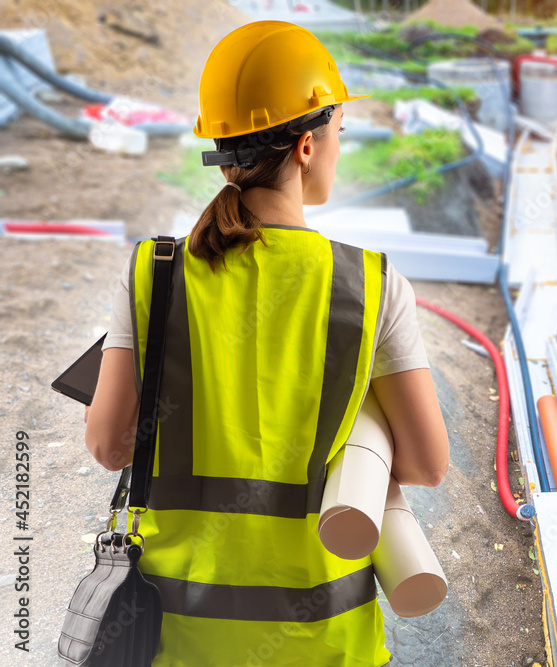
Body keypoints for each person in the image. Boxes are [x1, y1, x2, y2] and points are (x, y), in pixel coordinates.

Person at [82, 20, 449, 666]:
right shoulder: (370, 284)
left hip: (179, 644)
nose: (340, 141)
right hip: (327, 646)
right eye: (338, 127)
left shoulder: (154, 273)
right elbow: (426, 463)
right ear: (307, 144)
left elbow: (109, 444)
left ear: (223, 150)